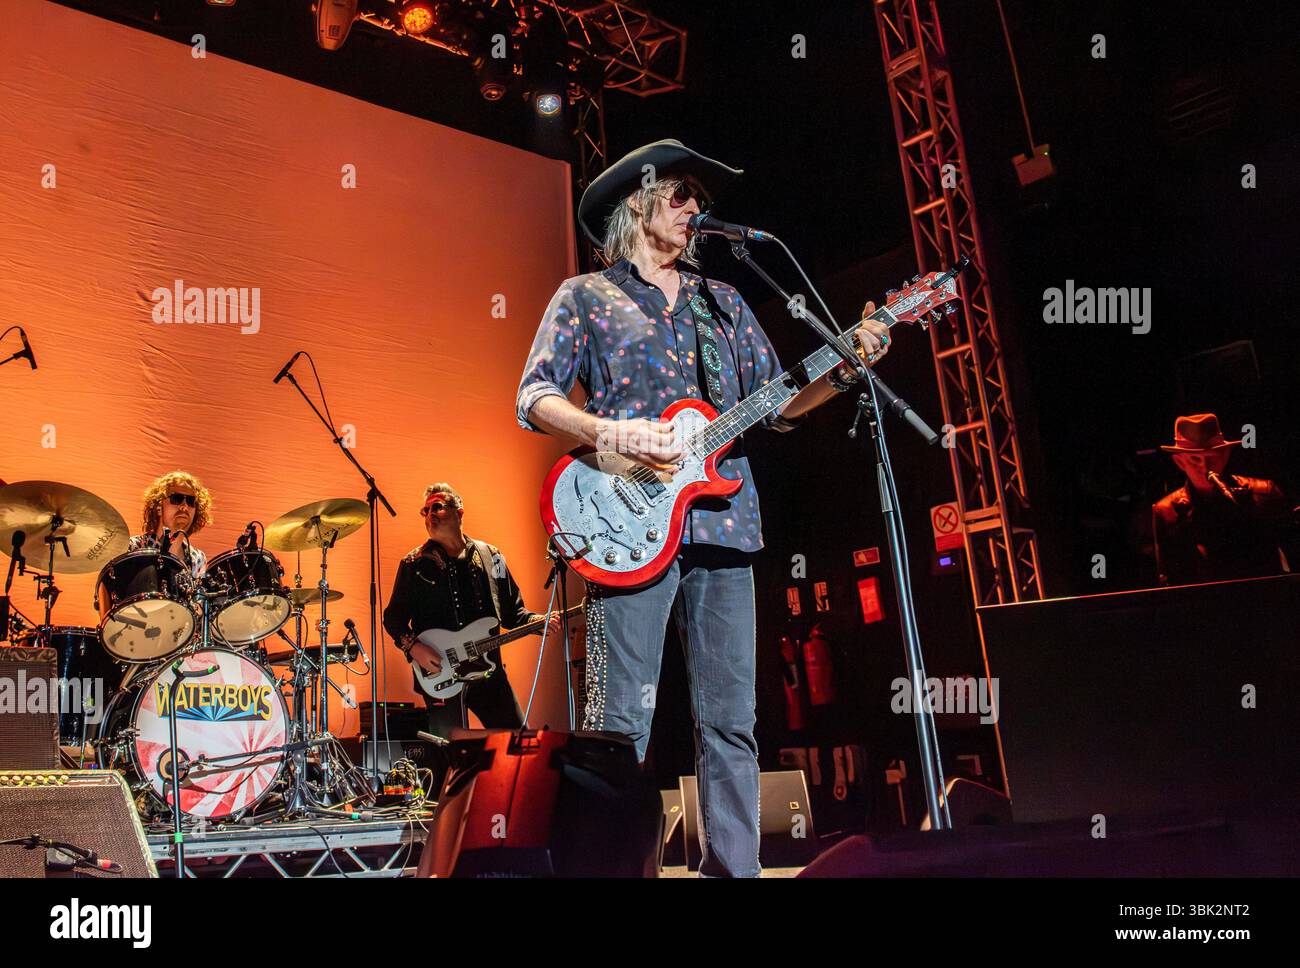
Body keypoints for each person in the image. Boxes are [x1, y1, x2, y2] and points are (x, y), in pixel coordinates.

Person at [515, 139, 891, 876]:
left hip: (724, 525)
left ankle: (734, 872)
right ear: (637, 203)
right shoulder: (585, 297)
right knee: (619, 724)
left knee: (732, 723)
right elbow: (533, 398)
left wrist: (843, 366)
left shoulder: (724, 302)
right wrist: (608, 430)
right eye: (681, 195)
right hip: (625, 525)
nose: (696, 210)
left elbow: (778, 407)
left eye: (700, 199)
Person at [383, 483, 560, 738]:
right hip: (440, 673)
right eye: (425, 511)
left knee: (517, 745)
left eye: (438, 507)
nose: (430, 514)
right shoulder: (414, 564)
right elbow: (393, 618)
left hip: (489, 672)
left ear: (459, 512)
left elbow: (512, 613)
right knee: (450, 752)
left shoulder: (493, 557)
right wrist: (414, 648)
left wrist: (536, 622)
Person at [1152, 413, 1296, 586]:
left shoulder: (1265, 493)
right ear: (1180, 462)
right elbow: (1167, 580)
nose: (1204, 466)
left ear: (1225, 454)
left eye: (1211, 457)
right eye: (1195, 459)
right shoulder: (1166, 511)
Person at [129, 470, 211, 578]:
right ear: (158, 507)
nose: (184, 507)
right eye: (176, 499)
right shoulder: (134, 547)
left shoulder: (198, 558)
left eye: (191, 501)